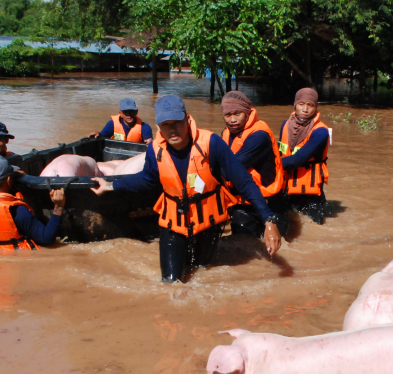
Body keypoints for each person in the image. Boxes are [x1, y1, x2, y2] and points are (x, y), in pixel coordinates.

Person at [92, 94, 281, 282]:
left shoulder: (212, 143)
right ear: (158, 126)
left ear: (187, 119)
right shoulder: (155, 150)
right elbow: (147, 180)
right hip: (173, 223)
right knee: (171, 283)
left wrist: (268, 220)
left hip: (208, 222)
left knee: (204, 274)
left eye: (177, 122)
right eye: (166, 124)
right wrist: (109, 185)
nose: (172, 129)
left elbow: (244, 181)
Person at [218, 91, 288, 237]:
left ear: (248, 113)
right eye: (228, 115)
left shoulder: (259, 136)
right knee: (242, 248)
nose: (232, 120)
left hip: (268, 204)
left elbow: (232, 169)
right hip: (243, 204)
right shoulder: (225, 133)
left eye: (237, 113)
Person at [0, 156, 65, 249]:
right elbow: (47, 239)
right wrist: (58, 206)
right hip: (22, 255)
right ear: (8, 180)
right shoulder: (18, 211)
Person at [279, 87, 331, 224]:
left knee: (315, 229)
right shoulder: (285, 125)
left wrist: (267, 164)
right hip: (287, 189)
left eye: (310, 105)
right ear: (295, 104)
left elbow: (296, 160)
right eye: (301, 104)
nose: (305, 109)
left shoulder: (320, 132)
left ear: (316, 107)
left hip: (311, 194)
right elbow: (280, 153)